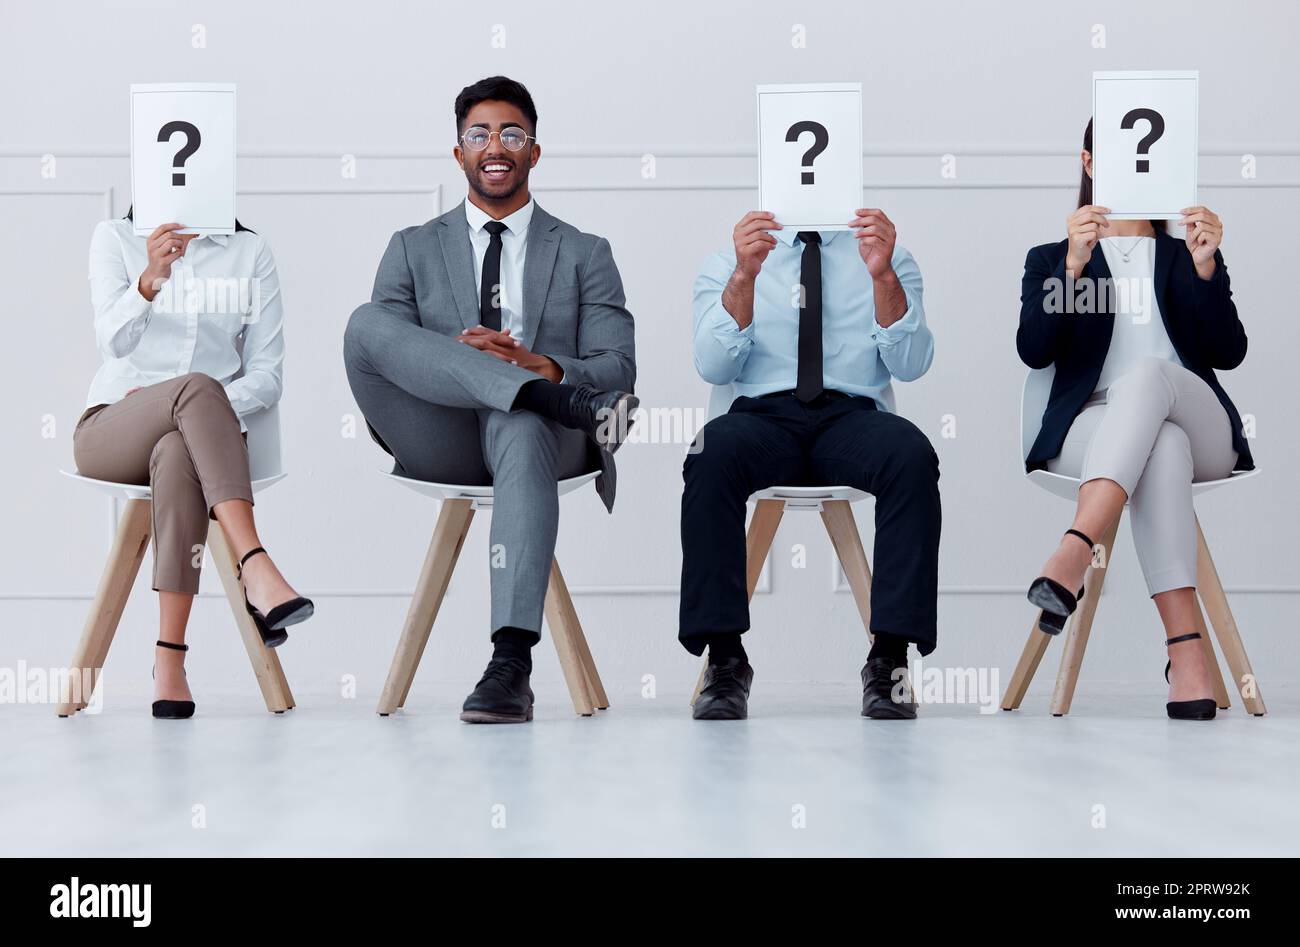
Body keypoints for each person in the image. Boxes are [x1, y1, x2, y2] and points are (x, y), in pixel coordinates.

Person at [343, 76, 637, 724]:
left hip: (538, 441)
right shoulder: (410, 248)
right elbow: (388, 352)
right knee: (364, 323)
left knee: (523, 421)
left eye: (512, 133)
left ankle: (511, 664)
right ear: (458, 154)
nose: (495, 146)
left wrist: (541, 365)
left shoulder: (587, 252)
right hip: (437, 431)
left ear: (535, 151)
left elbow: (619, 368)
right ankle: (544, 398)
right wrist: (464, 354)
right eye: (479, 134)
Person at [1019, 120, 1253, 720]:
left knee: (1151, 381)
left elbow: (1229, 352)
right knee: (1162, 446)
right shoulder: (1052, 258)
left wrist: (1206, 270)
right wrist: (1072, 267)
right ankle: (1187, 656)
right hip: (1089, 432)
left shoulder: (1186, 256)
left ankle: (1074, 548)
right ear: (1089, 163)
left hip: (1198, 420)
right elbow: (1035, 350)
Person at [681, 206, 940, 720]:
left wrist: (883, 275)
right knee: (710, 454)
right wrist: (744, 276)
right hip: (762, 415)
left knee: (910, 454)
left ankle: (889, 657)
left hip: (851, 416)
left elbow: (911, 365)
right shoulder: (727, 260)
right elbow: (713, 365)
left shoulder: (888, 254)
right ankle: (725, 659)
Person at [77, 211, 313, 719]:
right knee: (198, 389)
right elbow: (110, 343)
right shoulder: (115, 237)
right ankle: (256, 564)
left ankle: (170, 662)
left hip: (199, 449)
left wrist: (193, 407)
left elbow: (267, 376)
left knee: (182, 442)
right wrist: (148, 280)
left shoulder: (249, 251)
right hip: (113, 429)